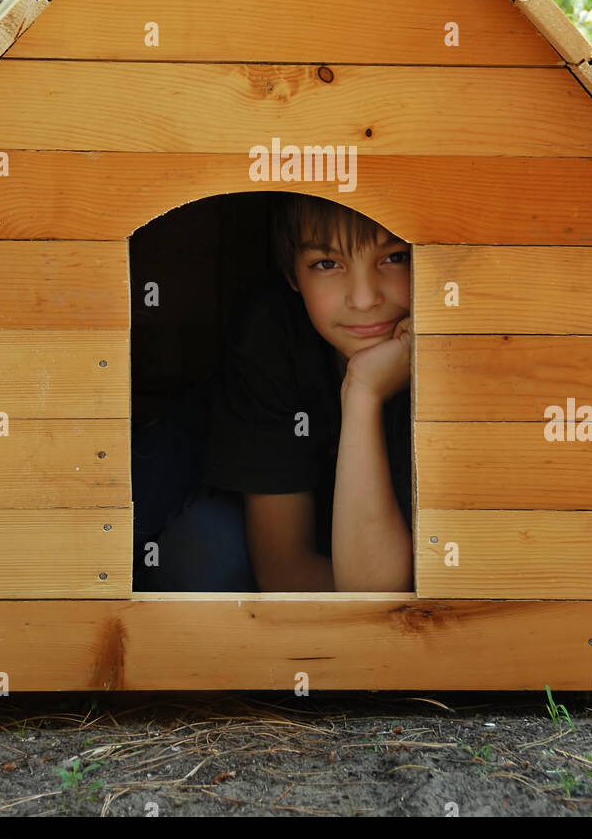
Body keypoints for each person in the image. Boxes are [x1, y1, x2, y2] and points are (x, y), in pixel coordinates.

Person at [131, 193, 412, 592]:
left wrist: (363, 394)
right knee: (205, 546)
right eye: (327, 264)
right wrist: (364, 391)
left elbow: (379, 596)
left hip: (353, 546)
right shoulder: (273, 333)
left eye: (394, 258)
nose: (365, 299)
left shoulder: (475, 350)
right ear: (293, 275)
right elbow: (286, 571)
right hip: (196, 464)